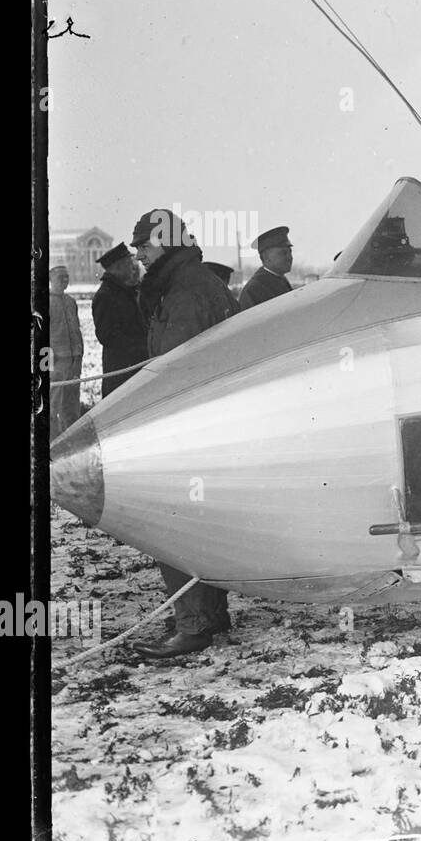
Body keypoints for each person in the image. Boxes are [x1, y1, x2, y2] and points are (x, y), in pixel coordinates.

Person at [128, 208, 240, 659]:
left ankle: (194, 623)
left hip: (188, 427)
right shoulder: (190, 281)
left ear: (166, 244)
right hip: (208, 424)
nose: (138, 254)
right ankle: (209, 616)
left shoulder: (186, 292)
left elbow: (176, 372)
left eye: (144, 245)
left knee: (172, 520)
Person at [90, 243, 148, 398]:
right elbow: (107, 335)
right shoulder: (106, 295)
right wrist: (141, 347)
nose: (134, 268)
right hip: (122, 369)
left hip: (137, 366)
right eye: (130, 265)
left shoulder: (128, 290)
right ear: (118, 268)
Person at [48, 264, 84, 439]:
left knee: (71, 402)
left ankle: (71, 439)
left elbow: (76, 329)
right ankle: (52, 441)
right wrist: (46, 364)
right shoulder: (43, 302)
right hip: (56, 361)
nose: (64, 281)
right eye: (60, 277)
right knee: (53, 403)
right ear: (50, 280)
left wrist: (79, 354)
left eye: (66, 277)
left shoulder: (71, 302)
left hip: (74, 360)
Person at [238, 227, 293, 310]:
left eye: (290, 252)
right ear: (266, 258)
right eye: (283, 253)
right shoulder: (253, 290)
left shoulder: (281, 280)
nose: (290, 257)